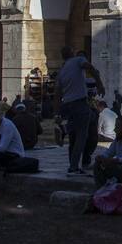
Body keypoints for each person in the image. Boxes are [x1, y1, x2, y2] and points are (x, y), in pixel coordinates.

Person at [52, 47, 93, 176]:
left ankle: (66, 129)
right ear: (72, 54)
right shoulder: (78, 61)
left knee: (75, 137)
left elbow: (57, 95)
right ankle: (74, 167)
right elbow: (90, 67)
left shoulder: (62, 71)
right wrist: (100, 81)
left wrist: (57, 114)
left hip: (67, 105)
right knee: (82, 136)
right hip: (80, 102)